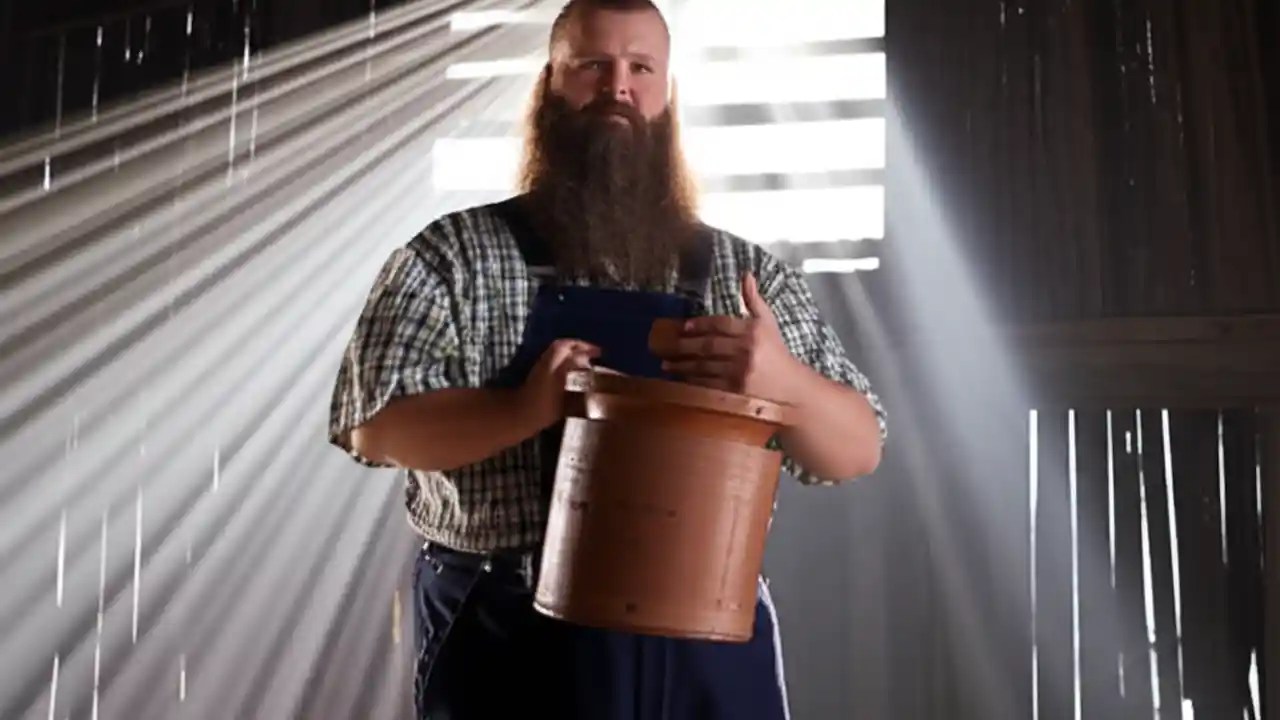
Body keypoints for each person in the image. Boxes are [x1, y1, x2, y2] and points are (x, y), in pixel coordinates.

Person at [328, 0, 887, 717]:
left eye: (640, 68)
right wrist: (524, 408)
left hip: (706, 631)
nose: (617, 86)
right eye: (592, 65)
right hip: (509, 631)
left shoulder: (745, 277)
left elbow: (858, 449)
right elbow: (375, 427)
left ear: (667, 93)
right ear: (550, 87)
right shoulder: (451, 257)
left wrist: (786, 386)